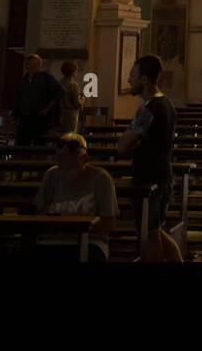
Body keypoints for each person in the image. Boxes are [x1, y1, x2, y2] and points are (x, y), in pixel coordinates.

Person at [117, 55, 183, 261]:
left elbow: (122, 146)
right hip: (162, 174)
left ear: (144, 80)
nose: (129, 80)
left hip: (149, 178)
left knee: (150, 235)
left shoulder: (148, 110)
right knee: (156, 231)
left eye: (132, 75)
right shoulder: (166, 103)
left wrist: (133, 144)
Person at [32, 133, 116, 262]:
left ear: (84, 159)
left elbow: (109, 223)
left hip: (91, 241)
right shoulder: (52, 175)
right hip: (51, 240)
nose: (65, 171)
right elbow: (38, 212)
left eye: (71, 166)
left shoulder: (101, 179)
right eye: (61, 165)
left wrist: (75, 222)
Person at [12, 53, 63, 145]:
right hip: (25, 119)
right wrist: (15, 116)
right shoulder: (23, 80)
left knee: (40, 145)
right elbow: (18, 98)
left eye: (38, 64)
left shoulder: (45, 77)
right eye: (34, 63)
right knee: (21, 145)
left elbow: (60, 91)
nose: (36, 66)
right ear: (27, 65)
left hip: (40, 118)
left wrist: (47, 108)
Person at [59, 60, 84, 134]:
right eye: (76, 70)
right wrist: (82, 99)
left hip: (61, 115)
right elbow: (77, 104)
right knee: (70, 139)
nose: (77, 72)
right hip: (71, 117)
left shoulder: (60, 82)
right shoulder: (73, 84)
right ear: (73, 72)